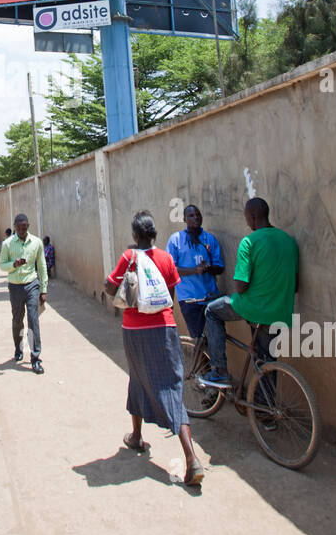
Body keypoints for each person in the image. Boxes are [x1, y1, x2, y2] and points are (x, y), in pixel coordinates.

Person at [105, 211, 204, 486]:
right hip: (165, 328)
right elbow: (169, 299)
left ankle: (176, 452)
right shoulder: (167, 259)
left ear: (135, 236)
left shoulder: (130, 257)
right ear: (155, 234)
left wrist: (109, 285)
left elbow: (112, 288)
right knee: (171, 386)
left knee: (139, 377)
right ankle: (174, 451)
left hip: (135, 331)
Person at [201, 197, 298, 388]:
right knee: (266, 360)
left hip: (254, 308)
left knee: (211, 312)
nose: (247, 222)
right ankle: (264, 413)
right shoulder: (289, 241)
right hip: (281, 310)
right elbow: (295, 286)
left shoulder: (249, 242)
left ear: (253, 217)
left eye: (246, 218)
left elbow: (240, 287)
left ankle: (219, 371)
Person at [0, 213, 48, 373]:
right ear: (14, 227)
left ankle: (35, 357)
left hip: (32, 284)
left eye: (25, 227)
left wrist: (43, 289)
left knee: (33, 320)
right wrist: (14, 264)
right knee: (17, 320)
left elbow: (41, 266)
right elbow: (2, 265)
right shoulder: (7, 244)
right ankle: (18, 349)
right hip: (15, 286)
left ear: (28, 226)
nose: (22, 230)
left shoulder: (36, 242)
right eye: (19, 228)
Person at [166, 204, 224, 340]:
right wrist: (194, 270)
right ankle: (202, 362)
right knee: (200, 341)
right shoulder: (176, 240)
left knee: (216, 340)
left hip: (211, 298)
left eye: (198, 214)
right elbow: (171, 269)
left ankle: (215, 362)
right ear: (184, 219)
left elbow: (220, 267)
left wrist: (208, 268)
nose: (196, 218)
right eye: (191, 215)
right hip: (190, 300)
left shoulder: (209, 239)